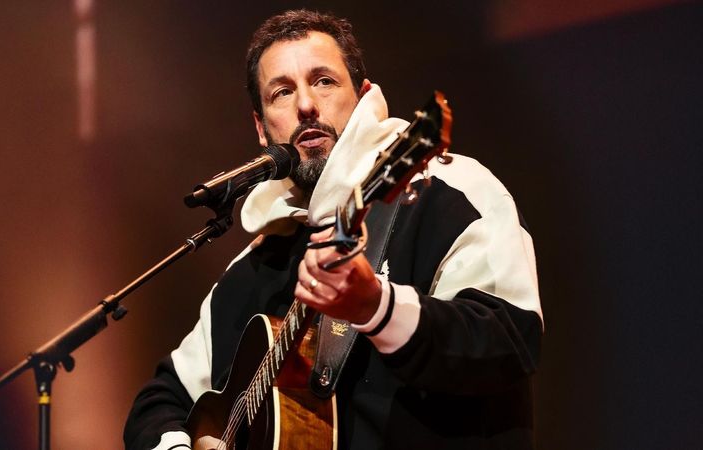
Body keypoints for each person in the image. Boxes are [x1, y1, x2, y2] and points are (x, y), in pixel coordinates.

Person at [125, 9, 542, 450]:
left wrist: (377, 307)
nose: (305, 104)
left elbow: (509, 342)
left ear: (363, 97)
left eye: (324, 81)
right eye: (281, 92)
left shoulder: (450, 192)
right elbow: (159, 400)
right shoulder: (252, 267)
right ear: (261, 128)